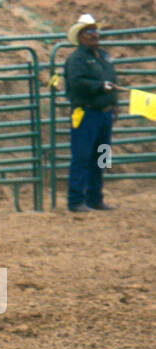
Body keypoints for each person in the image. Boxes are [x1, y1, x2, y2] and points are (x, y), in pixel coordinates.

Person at [64, 14, 120, 213]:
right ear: (80, 36)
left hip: (103, 113)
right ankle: (76, 200)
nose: (94, 34)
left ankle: (95, 197)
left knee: (101, 156)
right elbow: (77, 84)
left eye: (95, 30)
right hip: (87, 112)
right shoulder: (76, 59)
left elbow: (112, 79)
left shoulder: (104, 56)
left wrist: (113, 103)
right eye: (89, 31)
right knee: (82, 156)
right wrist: (100, 86)